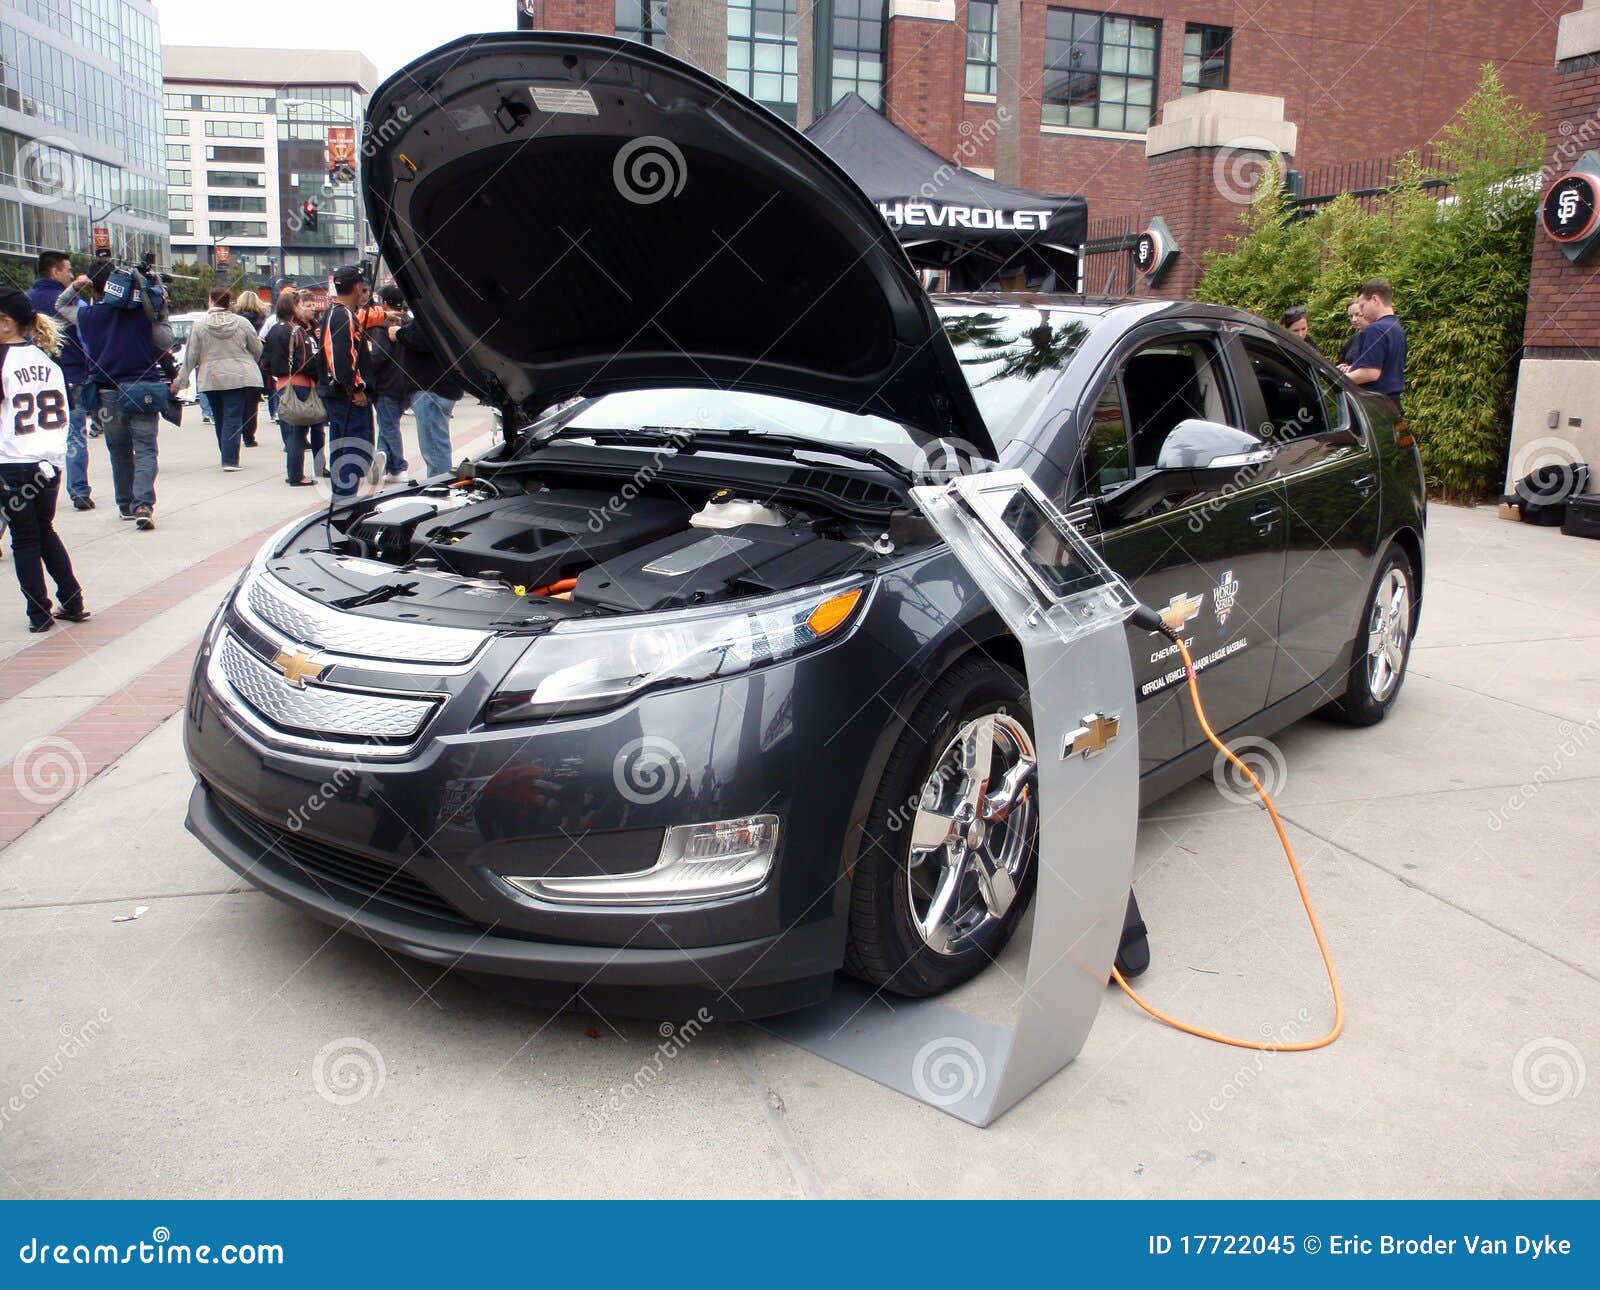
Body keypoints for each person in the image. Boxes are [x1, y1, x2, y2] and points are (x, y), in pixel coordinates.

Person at [0, 285, 89, 633]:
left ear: (7, 323)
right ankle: (73, 597)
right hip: (50, 460)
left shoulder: (3, 360)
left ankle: (39, 612)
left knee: (23, 538)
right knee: (44, 528)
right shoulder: (47, 361)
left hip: (13, 459)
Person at [74, 259, 165, 529]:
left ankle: (125, 504)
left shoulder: (88, 316)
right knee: (147, 450)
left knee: (120, 451)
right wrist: (147, 282)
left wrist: (76, 286)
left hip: (108, 391)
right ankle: (143, 505)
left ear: (94, 289)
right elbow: (163, 332)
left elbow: (60, 306)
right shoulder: (142, 314)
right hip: (143, 387)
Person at [29, 251, 94, 511]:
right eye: (67, 270)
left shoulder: (24, 301)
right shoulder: (69, 301)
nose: (70, 275)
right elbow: (86, 336)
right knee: (74, 435)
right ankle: (78, 490)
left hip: (34, 380)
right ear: (55, 271)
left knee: (35, 436)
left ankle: (37, 489)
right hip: (71, 374)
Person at [175, 287, 263, 473]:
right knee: (233, 415)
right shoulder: (242, 322)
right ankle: (230, 459)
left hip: (211, 376)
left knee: (220, 416)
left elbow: (191, 356)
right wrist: (247, 361)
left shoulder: (199, 326)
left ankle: (226, 453)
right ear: (228, 302)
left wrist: (180, 382)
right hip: (239, 375)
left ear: (210, 300)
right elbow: (257, 348)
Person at [318, 264, 376, 499]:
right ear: (356, 287)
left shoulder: (340, 313)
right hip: (345, 396)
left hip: (343, 394)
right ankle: (344, 501)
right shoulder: (341, 315)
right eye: (362, 287)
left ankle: (345, 498)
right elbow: (340, 357)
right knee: (351, 449)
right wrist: (355, 388)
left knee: (350, 448)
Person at [389, 313, 467, 478]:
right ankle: (441, 483)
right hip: (436, 388)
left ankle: (440, 488)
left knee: (434, 448)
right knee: (436, 445)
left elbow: (424, 339)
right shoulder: (440, 310)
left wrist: (399, 333)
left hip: (431, 389)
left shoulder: (431, 311)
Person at [264, 290, 326, 487]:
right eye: (300, 305)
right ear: (292, 308)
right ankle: (296, 475)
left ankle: (293, 473)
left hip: (281, 384)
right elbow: (308, 363)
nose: (302, 308)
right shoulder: (296, 331)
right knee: (300, 431)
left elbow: (264, 362)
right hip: (300, 384)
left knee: (293, 431)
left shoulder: (273, 330)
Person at [1341, 278, 1407, 414]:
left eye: (1362, 306)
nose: (1362, 313)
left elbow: (1370, 373)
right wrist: (1353, 368)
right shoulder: (1396, 327)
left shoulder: (1375, 329)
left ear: (1375, 300)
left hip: (1376, 406)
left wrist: (1336, 378)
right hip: (1393, 403)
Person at [368, 284, 412, 478]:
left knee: (389, 426)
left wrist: (366, 370)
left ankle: (398, 466)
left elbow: (378, 355)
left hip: (386, 384)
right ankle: (384, 460)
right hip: (406, 384)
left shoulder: (383, 326)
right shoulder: (409, 323)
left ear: (384, 303)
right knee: (388, 423)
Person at [231, 288, 270, 447]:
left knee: (235, 401)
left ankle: (234, 432)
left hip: (235, 363)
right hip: (254, 364)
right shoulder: (262, 321)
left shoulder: (234, 320)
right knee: (251, 403)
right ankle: (249, 436)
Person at [1338, 297, 1367, 367]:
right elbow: (1341, 362)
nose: (1354, 319)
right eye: (1351, 316)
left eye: (1358, 314)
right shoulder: (1353, 339)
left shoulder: (1379, 336)